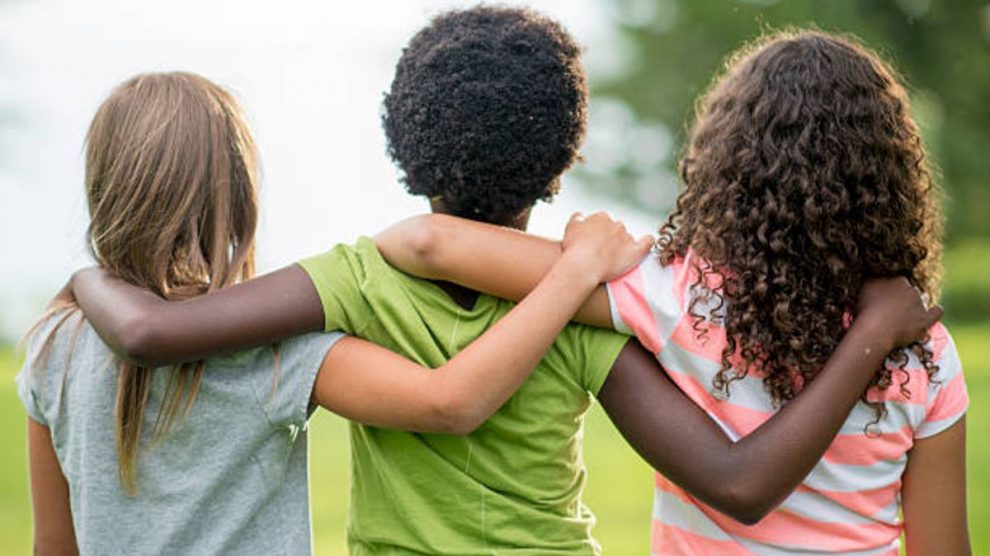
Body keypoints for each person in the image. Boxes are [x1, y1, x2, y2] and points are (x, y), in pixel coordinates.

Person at [67, 12, 941, 556]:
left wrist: (85, 275)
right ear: (561, 158)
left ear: (407, 141)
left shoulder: (359, 280)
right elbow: (730, 474)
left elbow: (160, 332)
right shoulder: (589, 308)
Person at [373, 30, 971, 554]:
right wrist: (874, 335)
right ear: (888, 184)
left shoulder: (677, 297)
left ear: (727, 169)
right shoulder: (924, 353)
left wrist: (586, 257)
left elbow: (429, 241)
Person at [17, 71, 654, 555]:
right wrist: (573, 271)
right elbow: (447, 402)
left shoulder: (51, 348)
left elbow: (53, 547)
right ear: (237, 198)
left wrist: (85, 276)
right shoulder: (274, 353)